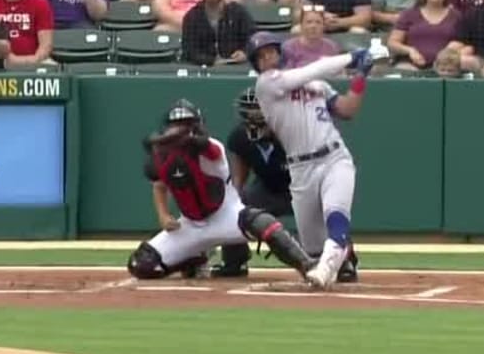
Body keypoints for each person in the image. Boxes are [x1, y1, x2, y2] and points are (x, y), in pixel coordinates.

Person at [248, 31, 387, 288]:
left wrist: (360, 76)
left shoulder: (317, 85)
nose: (268, 57)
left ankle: (328, 267)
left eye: (271, 51)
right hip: (300, 168)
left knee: (336, 213)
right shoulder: (266, 85)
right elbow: (316, 68)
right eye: (261, 55)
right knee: (312, 247)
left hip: (334, 157)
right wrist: (352, 57)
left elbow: (347, 109)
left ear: (279, 53)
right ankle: (342, 255)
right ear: (256, 63)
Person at [125, 98, 315, 283]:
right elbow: (159, 185)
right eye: (177, 124)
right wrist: (164, 215)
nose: (181, 129)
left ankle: (307, 266)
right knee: (141, 264)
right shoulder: (162, 156)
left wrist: (164, 139)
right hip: (191, 225)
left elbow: (200, 145)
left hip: (226, 216)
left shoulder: (212, 147)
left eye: (187, 124)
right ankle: (194, 259)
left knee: (263, 223)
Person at [213, 87, 315, 279]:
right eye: (251, 112)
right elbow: (238, 181)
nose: (255, 118)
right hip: (267, 189)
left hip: (302, 187)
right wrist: (230, 203)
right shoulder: (239, 138)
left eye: (260, 111)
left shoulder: (295, 132)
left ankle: (344, 260)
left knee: (324, 211)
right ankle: (234, 261)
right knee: (237, 205)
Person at [179, 0, 255, 65]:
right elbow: (189, 51)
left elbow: (252, 38)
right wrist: (211, 61)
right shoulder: (192, 17)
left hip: (235, 65)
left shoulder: (238, 12)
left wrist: (244, 52)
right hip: (203, 68)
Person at [389, 0, 462, 69]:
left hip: (444, 67)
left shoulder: (456, 16)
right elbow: (393, 43)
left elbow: (463, 43)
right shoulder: (409, 14)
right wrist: (410, 51)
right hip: (410, 64)